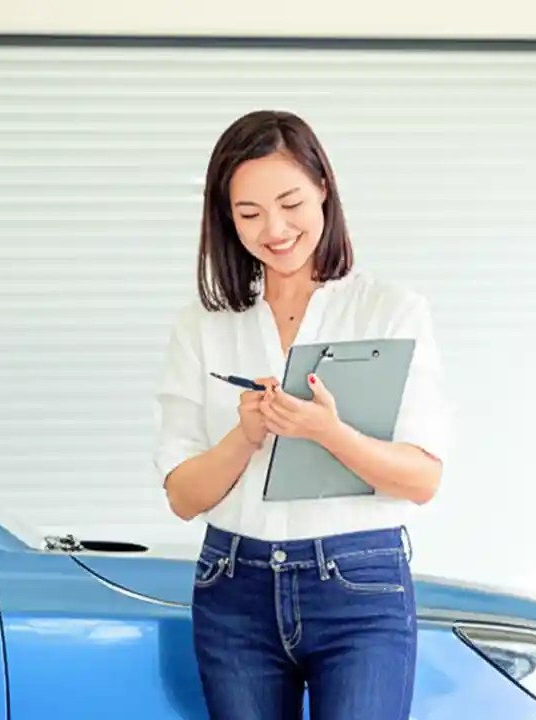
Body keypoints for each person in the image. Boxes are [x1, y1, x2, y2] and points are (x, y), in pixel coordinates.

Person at [152, 109, 453, 720]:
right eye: (249, 214)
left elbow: (421, 479)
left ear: (325, 188)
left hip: (361, 584)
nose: (276, 229)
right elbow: (183, 496)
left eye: (290, 203)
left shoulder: (390, 309)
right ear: (224, 219)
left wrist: (329, 432)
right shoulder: (204, 327)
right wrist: (246, 433)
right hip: (234, 587)